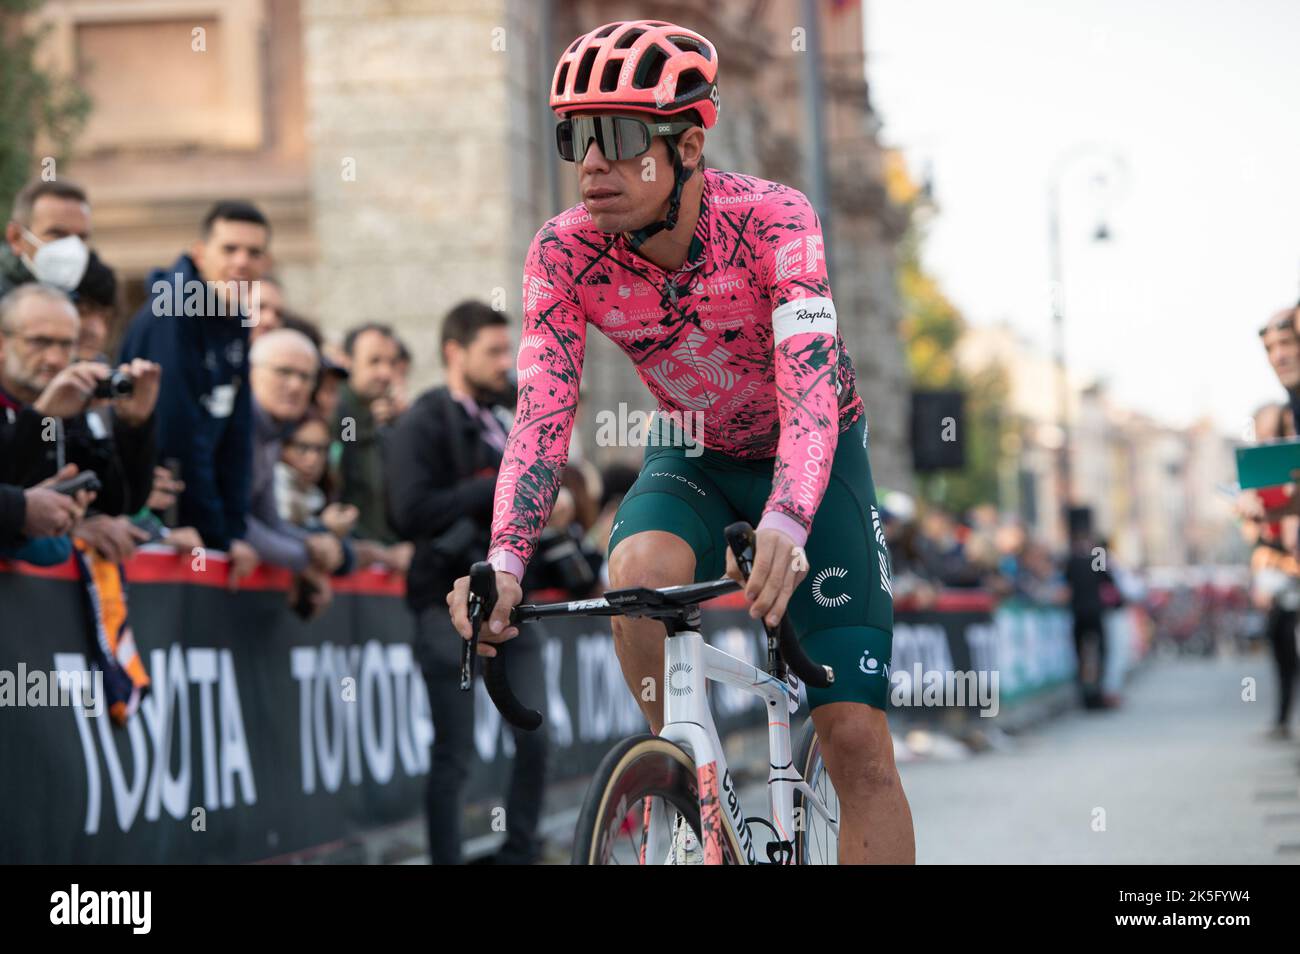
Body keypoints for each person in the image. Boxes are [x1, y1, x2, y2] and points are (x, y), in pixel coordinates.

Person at [447, 19, 913, 864]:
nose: (592, 162)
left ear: (689, 145)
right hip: (693, 447)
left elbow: (808, 387)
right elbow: (543, 412)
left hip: (814, 456)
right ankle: (684, 774)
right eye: (576, 136)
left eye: (621, 138)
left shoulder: (776, 218)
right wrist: (505, 564)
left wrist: (788, 522)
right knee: (634, 574)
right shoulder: (564, 252)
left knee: (854, 738)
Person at [385, 300, 548, 865]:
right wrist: (491, 488)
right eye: (494, 352)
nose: (507, 363)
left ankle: (520, 851)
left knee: (535, 732)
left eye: (510, 350)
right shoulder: (423, 420)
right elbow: (407, 511)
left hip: (514, 607)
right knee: (454, 752)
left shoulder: (506, 419)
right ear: (454, 352)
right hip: (442, 604)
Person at [118, 200, 269, 586]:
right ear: (200, 254)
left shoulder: (235, 320)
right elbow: (178, 436)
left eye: (253, 252)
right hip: (163, 528)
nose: (241, 262)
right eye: (230, 249)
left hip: (207, 535)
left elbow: (237, 437)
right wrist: (217, 536)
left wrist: (233, 534)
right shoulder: (172, 315)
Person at [246, 328, 353, 616]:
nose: (295, 385)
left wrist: (313, 543)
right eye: (283, 372)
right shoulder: (239, 427)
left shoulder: (271, 433)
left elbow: (267, 519)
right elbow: (233, 524)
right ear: (252, 373)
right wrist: (307, 556)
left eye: (305, 377)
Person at [336, 322, 402, 544]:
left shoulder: (385, 420)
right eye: (374, 361)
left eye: (391, 363)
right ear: (347, 361)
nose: (385, 373)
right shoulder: (339, 414)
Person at [1, 180, 92, 299]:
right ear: (16, 238)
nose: (73, 246)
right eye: (58, 234)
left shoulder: (84, 301)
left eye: (81, 237)